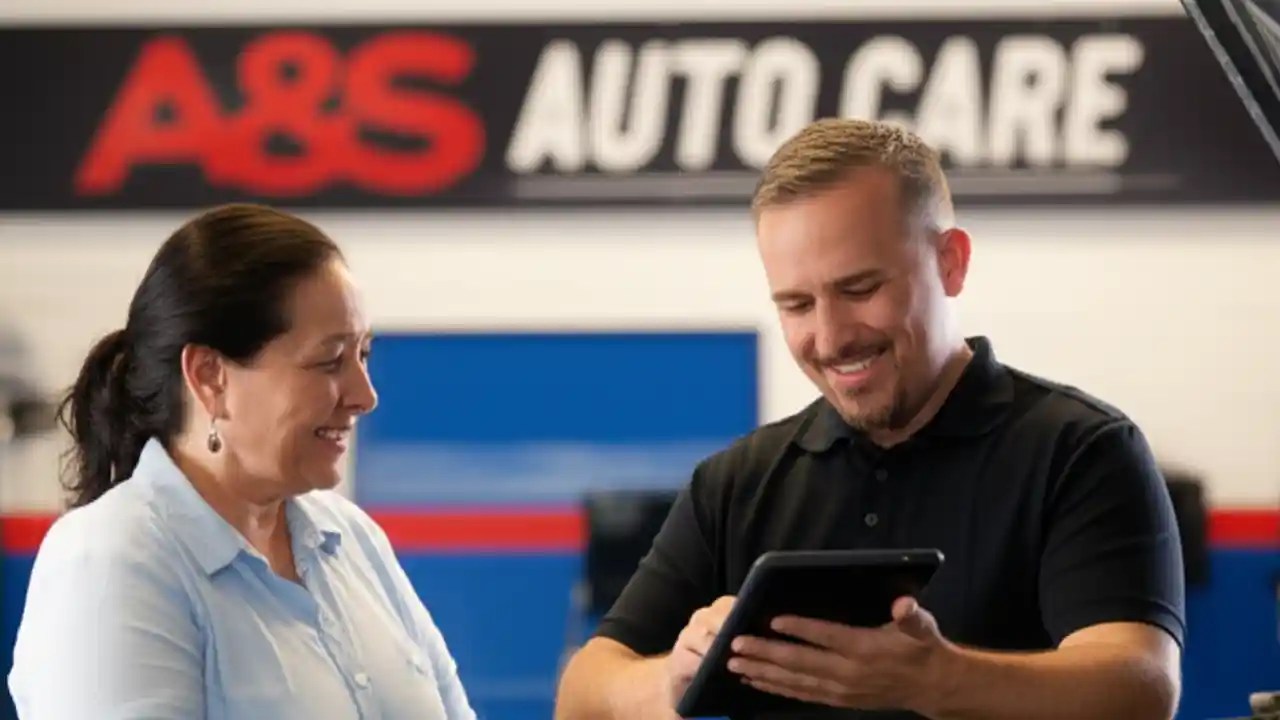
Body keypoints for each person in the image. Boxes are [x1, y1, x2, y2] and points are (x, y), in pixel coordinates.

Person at [553, 118, 1185, 720]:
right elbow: (583, 692)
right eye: (797, 304)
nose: (830, 338)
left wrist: (935, 680)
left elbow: (1139, 688)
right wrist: (666, 679)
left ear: (951, 263)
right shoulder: (737, 483)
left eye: (859, 290)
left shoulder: (1080, 453)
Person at [7, 204, 476, 720]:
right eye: (329, 361)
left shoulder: (353, 541)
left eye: (362, 355)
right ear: (210, 375)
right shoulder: (113, 560)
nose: (365, 396)